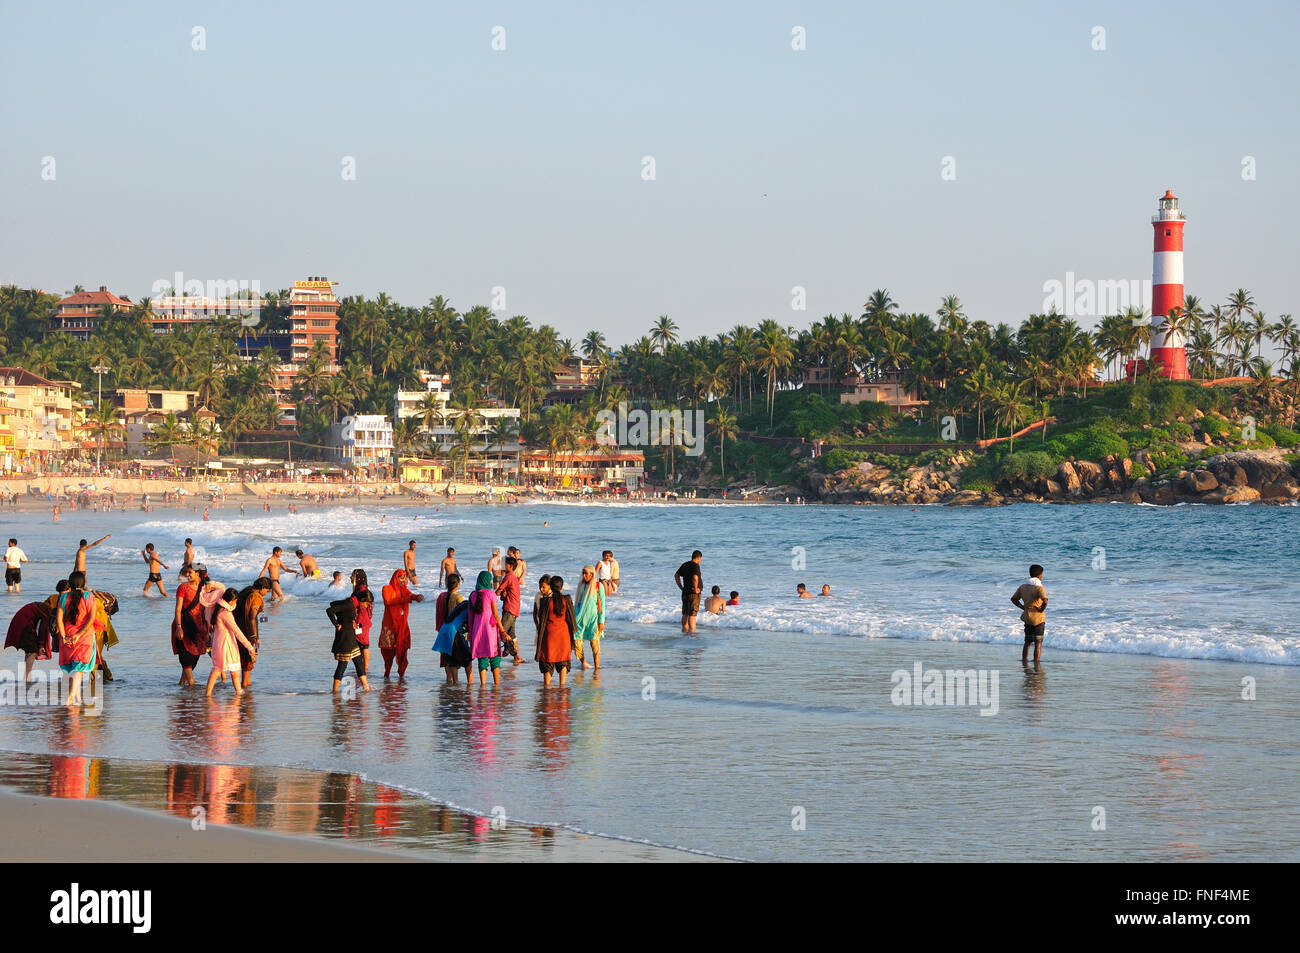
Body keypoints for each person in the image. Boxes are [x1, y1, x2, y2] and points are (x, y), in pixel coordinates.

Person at [56, 571, 103, 706]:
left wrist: (64, 636)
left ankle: (77, 698)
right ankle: (71, 696)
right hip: (84, 636)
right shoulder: (89, 597)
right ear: (83, 583)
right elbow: (91, 619)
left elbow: (59, 620)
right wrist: (79, 635)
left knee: (73, 668)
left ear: (70, 584)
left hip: (67, 636)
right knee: (79, 667)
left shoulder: (63, 598)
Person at [204, 588, 255, 697]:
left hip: (222, 643)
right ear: (232, 601)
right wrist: (250, 647)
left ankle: (238, 692)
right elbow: (237, 632)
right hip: (226, 645)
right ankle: (208, 694)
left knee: (228, 670)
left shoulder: (218, 609)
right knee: (219, 670)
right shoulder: (225, 613)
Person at [379, 569, 422, 679]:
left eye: (404, 577)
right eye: (400, 577)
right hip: (390, 624)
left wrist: (416, 597)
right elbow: (388, 601)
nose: (403, 579)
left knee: (403, 649)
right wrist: (404, 599)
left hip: (402, 624)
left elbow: (411, 596)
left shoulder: (405, 590)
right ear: (395, 578)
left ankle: (401, 676)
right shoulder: (387, 588)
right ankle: (387, 674)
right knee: (388, 652)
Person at [172, 564, 211, 687]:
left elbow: (209, 607)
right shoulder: (183, 588)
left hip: (199, 628)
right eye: (186, 572)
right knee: (186, 657)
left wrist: (209, 626)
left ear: (198, 574)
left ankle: (182, 684)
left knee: (194, 658)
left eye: (190, 572)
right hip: (184, 624)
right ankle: (192, 685)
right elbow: (178, 609)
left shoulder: (206, 588)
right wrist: (178, 627)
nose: (187, 575)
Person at [536, 574, 575, 687]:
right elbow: (571, 618)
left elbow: (541, 618)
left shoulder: (546, 601)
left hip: (549, 635)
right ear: (561, 587)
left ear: (551, 587)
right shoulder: (566, 600)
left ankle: (547, 687)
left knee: (548, 661)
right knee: (563, 662)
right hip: (564, 635)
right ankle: (562, 687)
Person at [327, 591, 369, 694]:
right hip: (344, 639)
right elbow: (330, 610)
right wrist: (336, 625)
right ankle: (335, 691)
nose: (367, 605)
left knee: (359, 663)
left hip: (351, 638)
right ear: (362, 600)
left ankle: (366, 687)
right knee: (342, 665)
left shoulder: (353, 604)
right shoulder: (349, 604)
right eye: (367, 603)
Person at [467, 570, 504, 686]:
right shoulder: (490, 594)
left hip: (477, 630)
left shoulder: (473, 595)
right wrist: (503, 631)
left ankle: (483, 685)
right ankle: (496, 685)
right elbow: (496, 615)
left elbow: (470, 616)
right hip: (491, 631)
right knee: (495, 656)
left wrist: (470, 633)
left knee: (482, 657)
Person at [234, 577, 271, 688]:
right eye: (267, 591)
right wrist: (253, 636)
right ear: (263, 588)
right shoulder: (256, 597)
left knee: (245, 661)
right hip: (248, 632)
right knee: (248, 661)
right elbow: (251, 618)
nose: (266, 593)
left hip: (239, 629)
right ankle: (245, 690)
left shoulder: (246, 593)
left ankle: (246, 685)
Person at [5, 597, 52, 681]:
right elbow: (42, 628)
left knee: (29, 651)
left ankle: (26, 676)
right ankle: (27, 677)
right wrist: (41, 645)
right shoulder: (47, 610)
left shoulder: (41, 605)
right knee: (33, 652)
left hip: (19, 622)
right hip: (24, 625)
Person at [434, 572, 469, 684]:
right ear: (458, 584)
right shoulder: (458, 598)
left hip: (442, 629)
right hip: (454, 631)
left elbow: (438, 613)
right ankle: (456, 682)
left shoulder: (440, 596)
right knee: (458, 657)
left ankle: (449, 680)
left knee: (446, 657)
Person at [1011, 564, 1048, 662]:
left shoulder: (1023, 586)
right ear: (1039, 575)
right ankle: (1036, 662)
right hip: (1038, 618)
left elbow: (1014, 599)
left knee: (1027, 642)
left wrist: (1023, 607)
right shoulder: (1039, 588)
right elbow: (1045, 601)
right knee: (1038, 643)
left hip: (1027, 616)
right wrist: (1041, 609)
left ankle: (1024, 661)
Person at [574, 565, 606, 670]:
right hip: (579, 620)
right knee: (577, 643)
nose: (584, 575)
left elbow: (602, 605)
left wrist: (601, 621)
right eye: (583, 573)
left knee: (595, 644)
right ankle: (584, 662)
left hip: (593, 620)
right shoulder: (581, 586)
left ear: (592, 574)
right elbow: (577, 604)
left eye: (586, 573)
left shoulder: (598, 586)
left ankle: (597, 668)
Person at [496, 556, 523, 663]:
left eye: (505, 564)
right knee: (511, 634)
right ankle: (517, 657)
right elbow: (504, 594)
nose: (503, 566)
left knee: (500, 632)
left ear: (510, 566)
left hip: (510, 608)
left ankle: (506, 650)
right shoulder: (513, 577)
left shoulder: (508, 576)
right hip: (514, 609)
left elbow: (498, 591)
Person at [674, 550, 703, 634]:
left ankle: (684, 630)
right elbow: (695, 577)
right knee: (692, 615)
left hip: (685, 592)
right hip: (693, 594)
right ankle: (692, 633)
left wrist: (681, 587)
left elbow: (676, 575)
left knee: (685, 613)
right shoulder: (695, 566)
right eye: (700, 559)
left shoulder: (685, 564)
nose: (700, 560)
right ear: (698, 557)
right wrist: (695, 588)